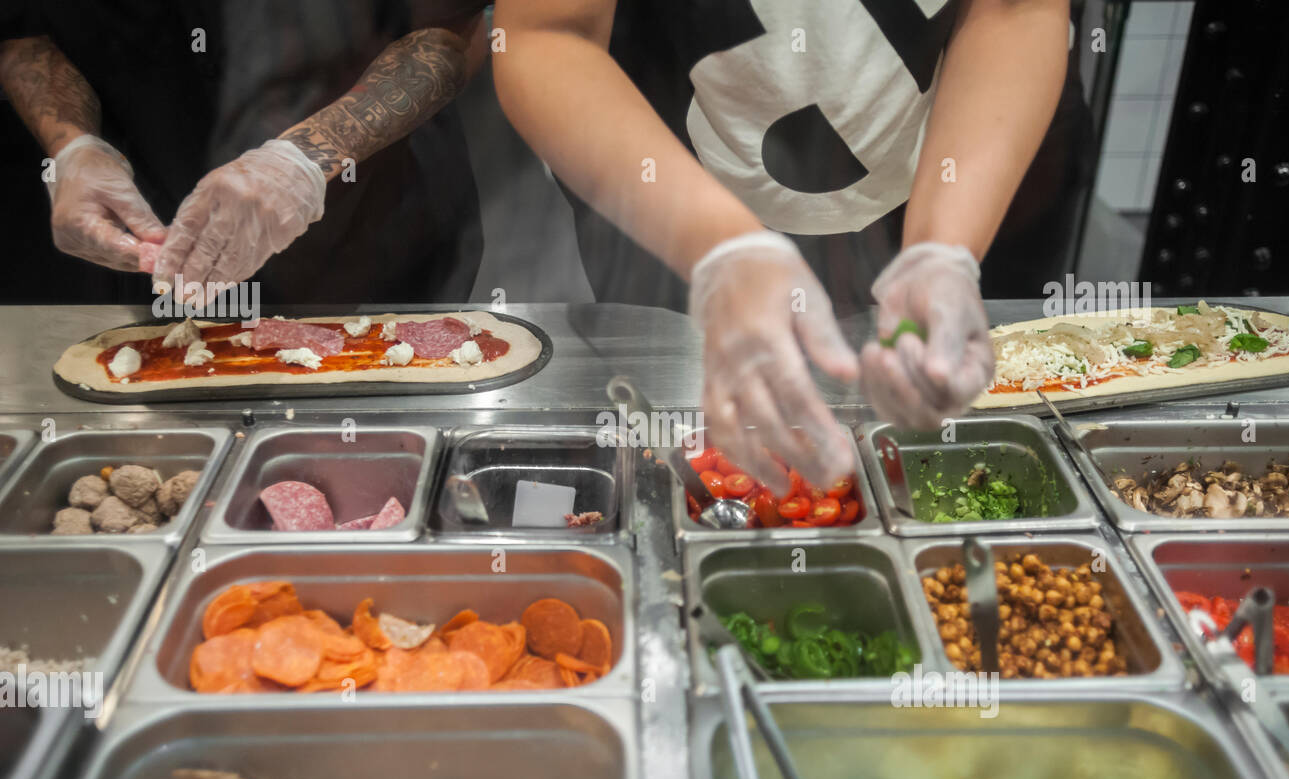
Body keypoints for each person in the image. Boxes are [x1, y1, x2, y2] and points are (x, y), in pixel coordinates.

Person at [494, 0, 1069, 490]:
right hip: (662, 186)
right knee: (663, 453)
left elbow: (1016, 10)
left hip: (955, 157)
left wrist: (944, 250)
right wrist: (720, 247)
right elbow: (548, 36)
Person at [0, 0, 489, 306]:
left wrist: (302, 160)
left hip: (363, 212)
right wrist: (71, 146)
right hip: (127, 228)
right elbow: (22, 32)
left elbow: (451, 31)